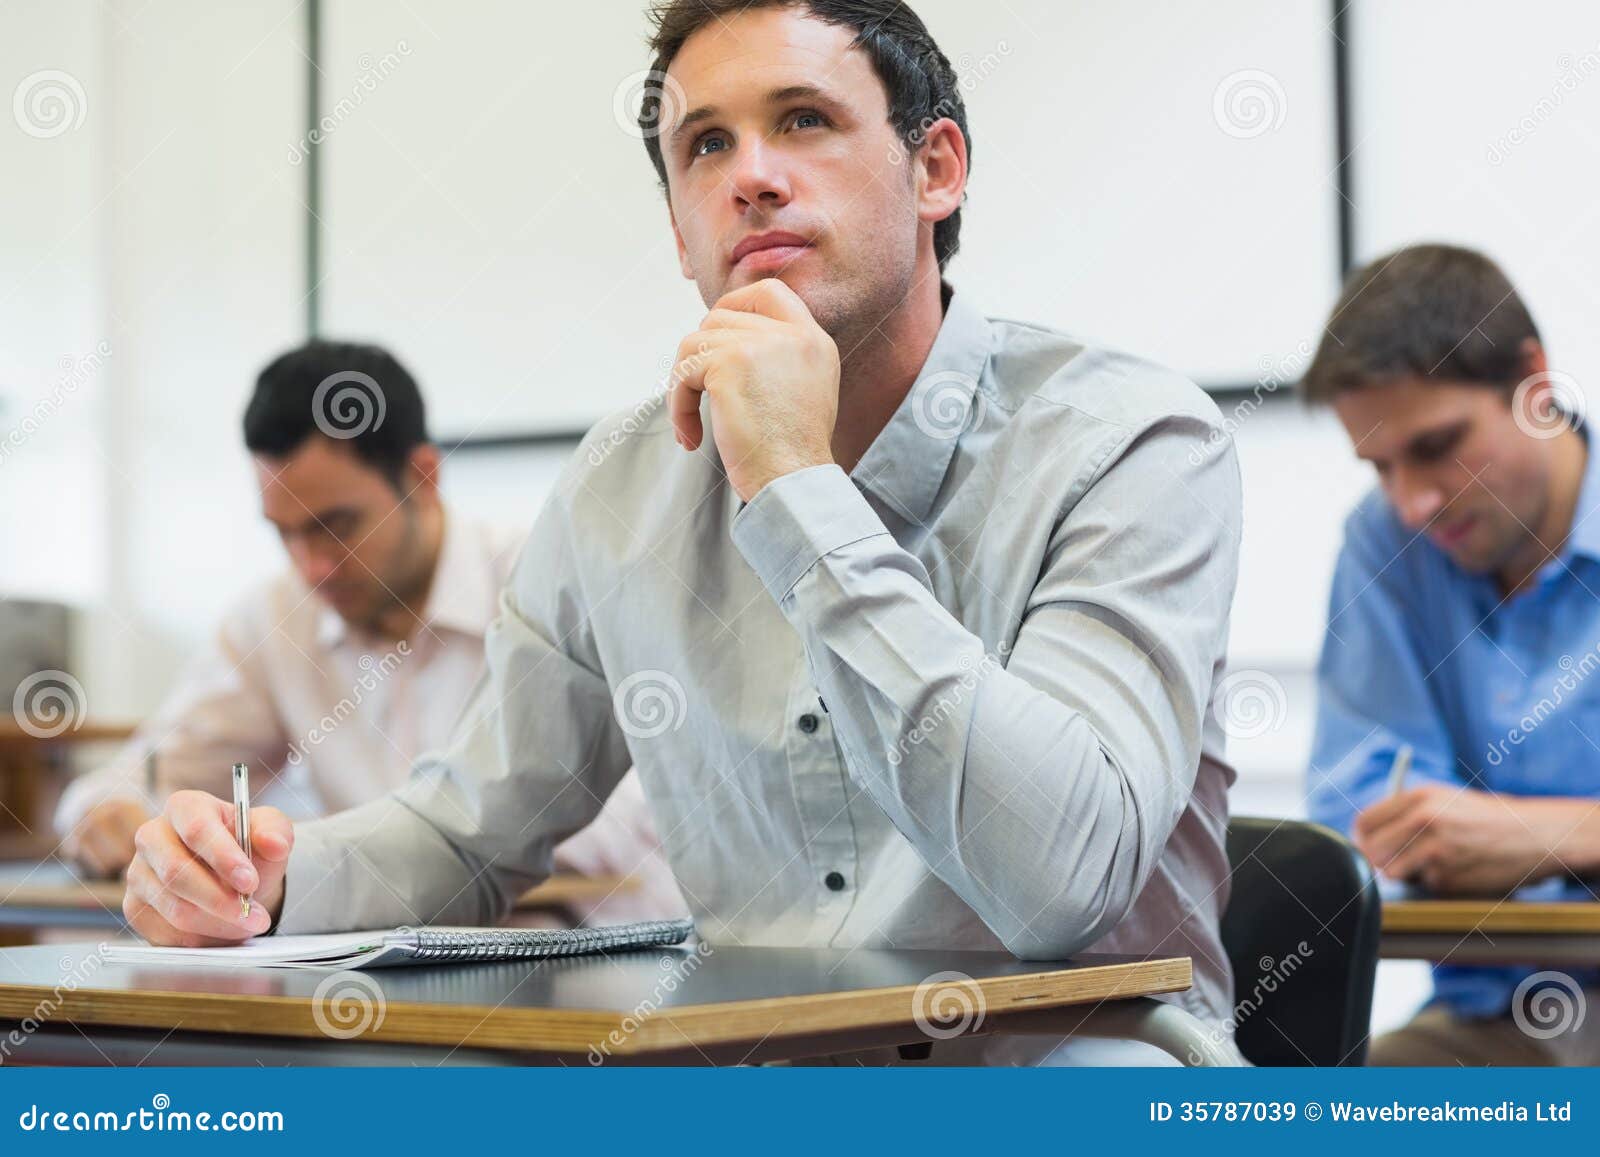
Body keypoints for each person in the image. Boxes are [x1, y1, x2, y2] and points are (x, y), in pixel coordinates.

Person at [120, 0, 1242, 1065]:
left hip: (1080, 1074)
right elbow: (468, 833)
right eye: (705, 145)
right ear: (677, 231)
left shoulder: (1131, 443)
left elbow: (1058, 880)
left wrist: (795, 487)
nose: (750, 175)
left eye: (803, 119)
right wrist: (261, 878)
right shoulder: (620, 485)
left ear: (935, 168)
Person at [59, 341, 681, 922]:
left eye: (335, 525)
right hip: (368, 972)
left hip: (586, 959)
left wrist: (333, 863)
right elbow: (140, 779)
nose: (312, 564)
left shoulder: (548, 581)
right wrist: (115, 818)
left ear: (423, 477)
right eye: (286, 532)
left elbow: (614, 822)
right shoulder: (276, 619)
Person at [1304, 243, 1600, 1065]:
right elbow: (1364, 822)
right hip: (1493, 1021)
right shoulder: (1381, 541)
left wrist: (1554, 835)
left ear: (1533, 385)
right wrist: (1433, 844)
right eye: (1380, 466)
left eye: (1436, 446)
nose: (1413, 502)